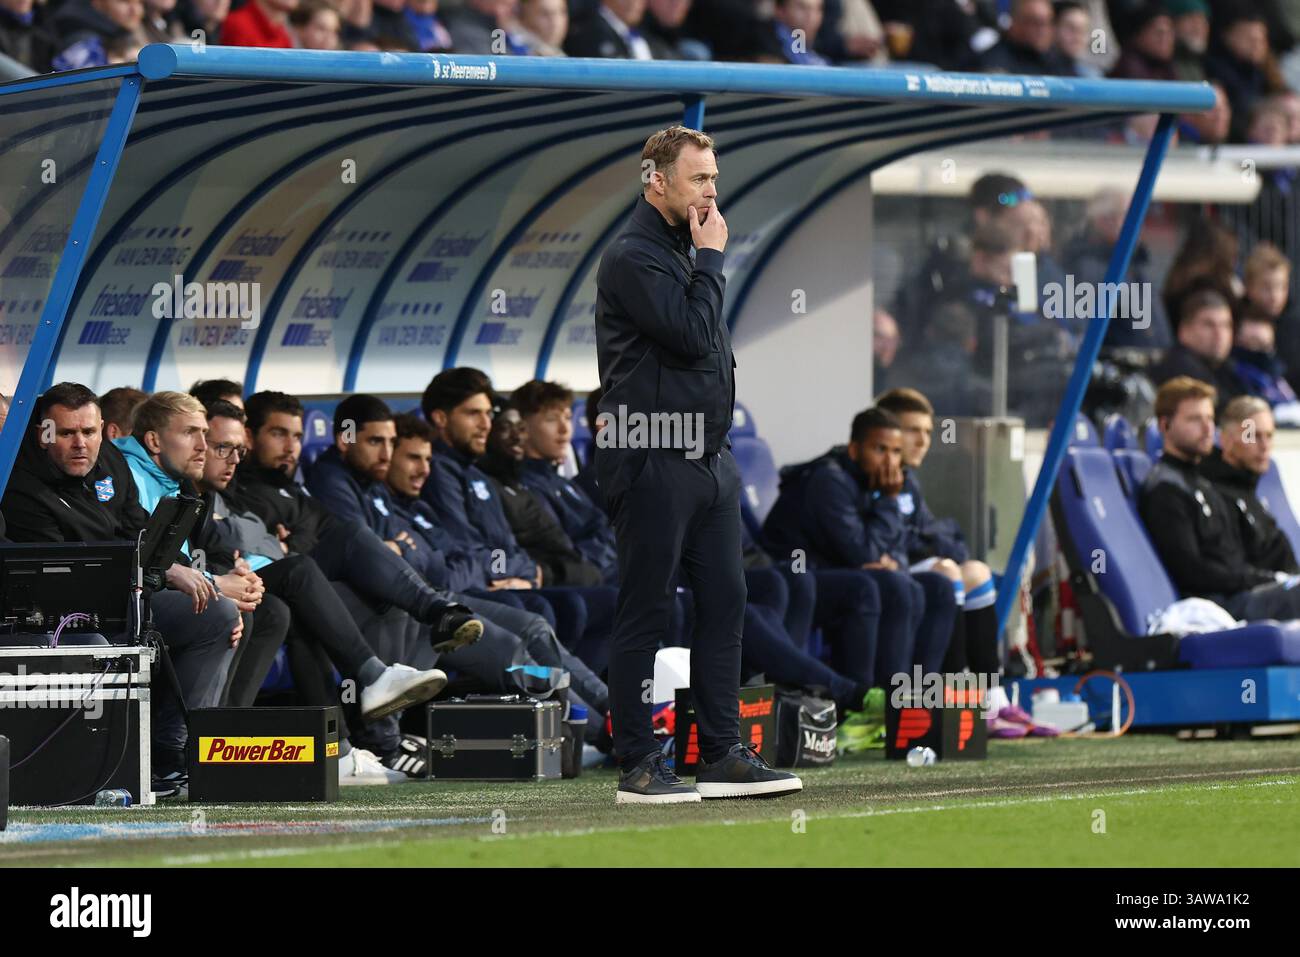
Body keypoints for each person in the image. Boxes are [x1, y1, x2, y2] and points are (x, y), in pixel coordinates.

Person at [594, 124, 800, 802]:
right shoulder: (633, 254)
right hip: (652, 451)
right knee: (646, 610)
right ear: (656, 179)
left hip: (708, 458)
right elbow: (686, 335)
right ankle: (638, 764)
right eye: (700, 177)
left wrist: (706, 258)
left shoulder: (685, 248)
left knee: (727, 601)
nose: (713, 189)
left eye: (714, 175)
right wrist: (713, 260)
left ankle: (721, 753)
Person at [193, 399, 452, 782]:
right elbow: (225, 536)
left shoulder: (280, 487)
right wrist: (276, 546)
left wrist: (286, 541)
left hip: (263, 581)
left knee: (303, 602)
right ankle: (373, 695)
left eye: (297, 436)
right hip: (232, 584)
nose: (231, 457)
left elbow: (321, 527)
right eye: (221, 446)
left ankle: (347, 748)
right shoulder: (221, 485)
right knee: (300, 578)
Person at [0, 383, 238, 796]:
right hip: (64, 610)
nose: (81, 445)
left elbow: (138, 528)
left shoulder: (108, 459)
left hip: (129, 591)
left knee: (216, 614)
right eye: (68, 433)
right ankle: (94, 773)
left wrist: (179, 574)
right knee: (93, 643)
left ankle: (174, 758)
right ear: (43, 434)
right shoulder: (21, 485)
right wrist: (158, 576)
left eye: (89, 432)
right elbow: (67, 573)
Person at [762, 407, 956, 686]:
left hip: (842, 569)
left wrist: (895, 563)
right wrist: (889, 501)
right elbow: (864, 553)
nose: (890, 461)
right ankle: (872, 702)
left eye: (896, 452)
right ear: (854, 450)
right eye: (880, 449)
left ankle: (918, 699)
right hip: (798, 576)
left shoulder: (877, 482)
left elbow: (899, 546)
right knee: (889, 587)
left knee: (939, 588)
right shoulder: (830, 481)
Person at [1139, 376, 1300, 620]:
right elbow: (1192, 571)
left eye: (1209, 419)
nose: (1207, 429)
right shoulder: (1166, 489)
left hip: (1242, 593)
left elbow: (1235, 558)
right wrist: (1267, 579)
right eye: (1194, 419)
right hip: (1219, 606)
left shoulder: (1203, 485)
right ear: (1165, 426)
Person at [1199, 395, 1299, 575]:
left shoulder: (1247, 484)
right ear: (1226, 440)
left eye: (1269, 436)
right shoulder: (1212, 491)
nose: (1265, 446)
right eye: (1253, 436)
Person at [1149, 284, 1248, 412]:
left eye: (1225, 325)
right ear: (1184, 330)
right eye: (1209, 325)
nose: (1219, 334)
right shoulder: (1180, 365)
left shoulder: (1225, 367)